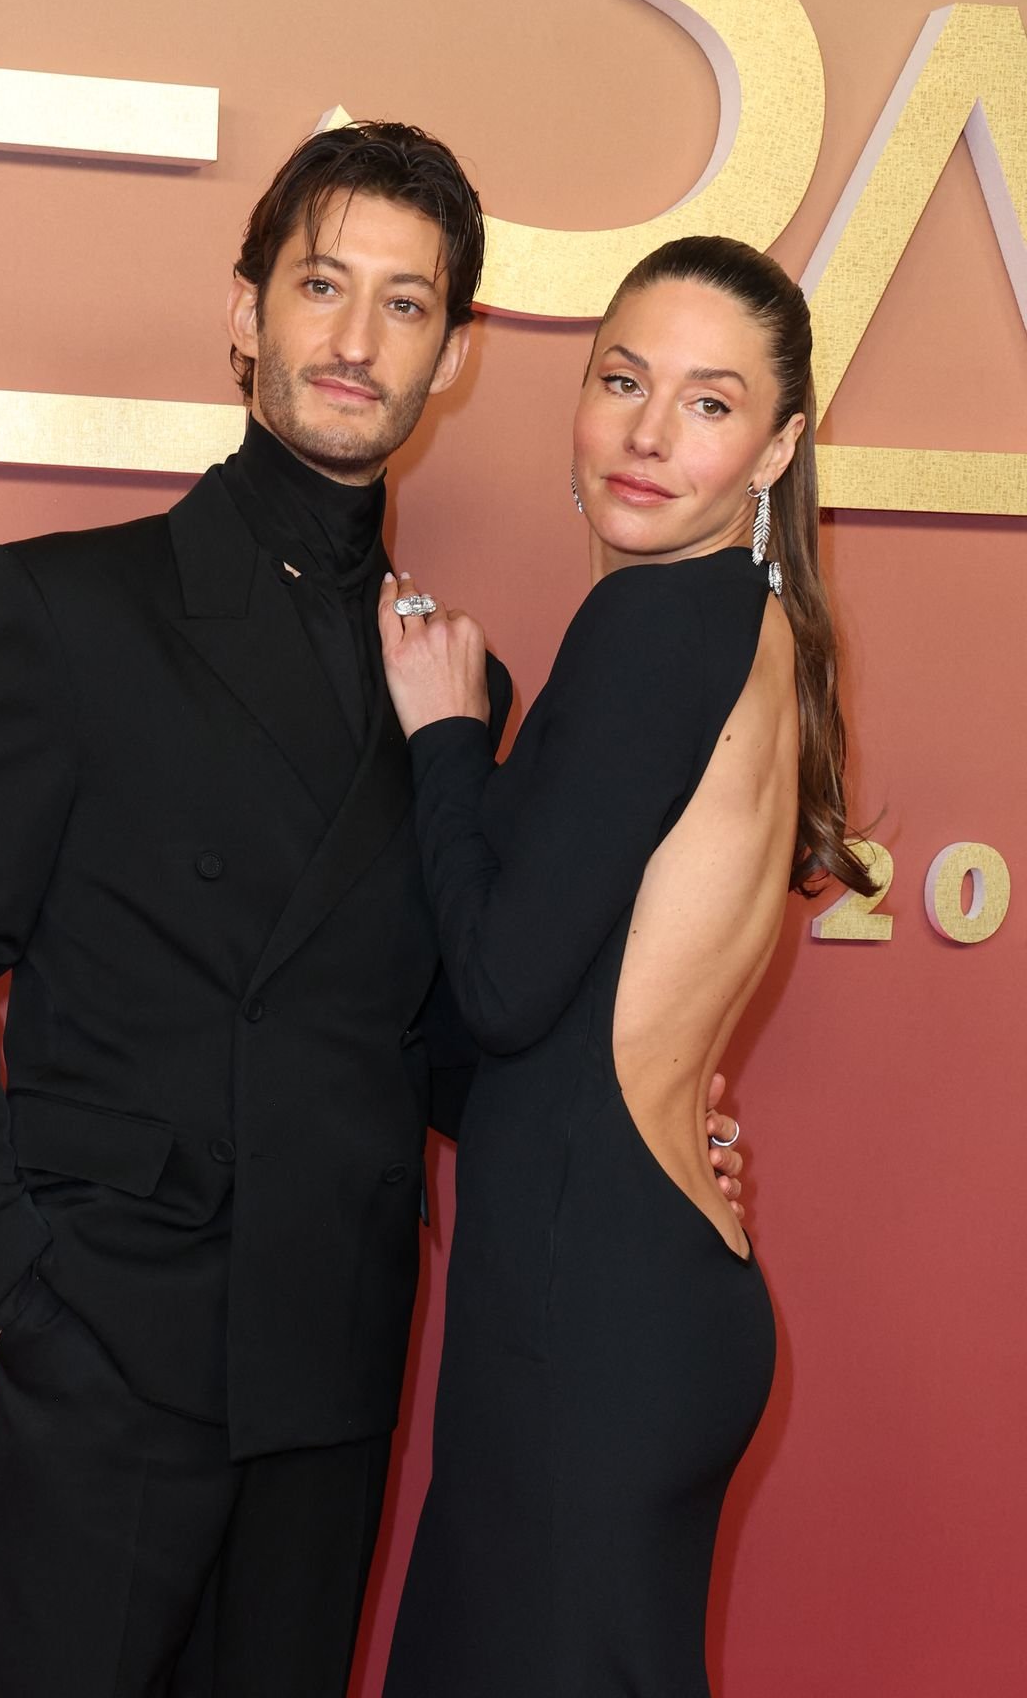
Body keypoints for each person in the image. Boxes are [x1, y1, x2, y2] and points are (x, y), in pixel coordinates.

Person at [0, 125, 746, 1698]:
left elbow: (460, 1032)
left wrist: (647, 1126)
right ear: (245, 311)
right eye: (321, 286)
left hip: (332, 1363)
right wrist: (1, 1274)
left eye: (407, 306)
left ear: (454, 356)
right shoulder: (61, 605)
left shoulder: (462, 693)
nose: (355, 340)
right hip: (109, 1344)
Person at [378, 235, 875, 1697]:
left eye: (711, 405)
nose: (651, 436)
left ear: (778, 446)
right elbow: (549, 1035)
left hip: (586, 1308)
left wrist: (443, 734)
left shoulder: (657, 623)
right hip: (638, 1282)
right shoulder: (754, 627)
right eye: (624, 381)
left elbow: (504, 990)